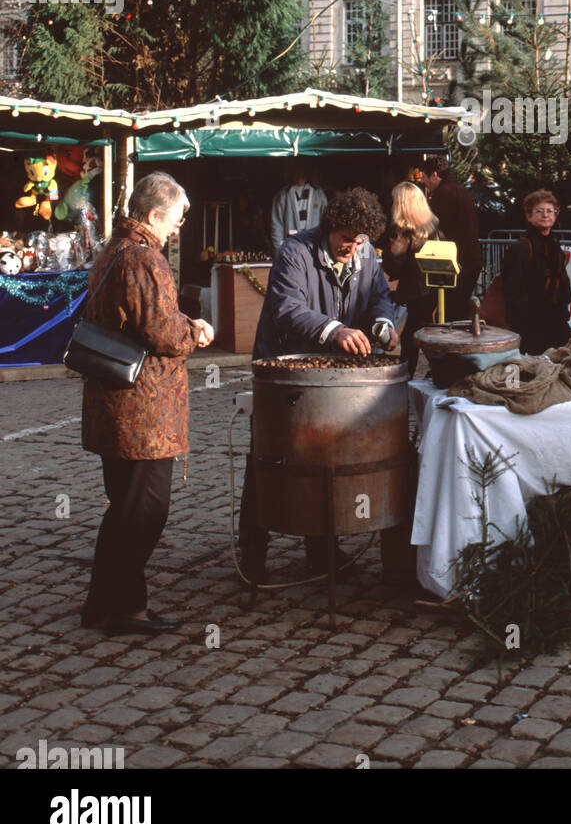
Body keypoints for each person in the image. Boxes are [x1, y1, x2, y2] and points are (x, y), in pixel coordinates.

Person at [80, 173, 214, 635]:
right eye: (177, 218)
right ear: (154, 216)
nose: (179, 226)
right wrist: (193, 331)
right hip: (141, 414)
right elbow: (161, 332)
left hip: (119, 407)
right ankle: (124, 609)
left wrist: (179, 320)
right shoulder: (143, 258)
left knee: (125, 508)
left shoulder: (115, 249)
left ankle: (107, 604)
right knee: (144, 511)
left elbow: (139, 317)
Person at [243, 188, 399, 578]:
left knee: (327, 458)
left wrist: (383, 322)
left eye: (361, 240)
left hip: (332, 373)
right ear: (330, 228)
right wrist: (334, 330)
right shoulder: (294, 252)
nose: (353, 246)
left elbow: (379, 294)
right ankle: (252, 555)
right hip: (285, 370)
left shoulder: (364, 253)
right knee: (268, 457)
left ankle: (324, 552)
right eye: (347, 237)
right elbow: (287, 308)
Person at [502, 189, 571, 356]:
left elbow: (562, 284)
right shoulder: (521, 248)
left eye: (550, 211)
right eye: (539, 211)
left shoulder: (555, 246)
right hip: (530, 324)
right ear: (529, 216)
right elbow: (512, 290)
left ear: (555, 215)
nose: (545, 215)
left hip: (555, 321)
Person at [382, 180, 440, 374]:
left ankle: (405, 379)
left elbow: (394, 268)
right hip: (431, 289)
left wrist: (388, 253)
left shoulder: (400, 231)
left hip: (411, 292)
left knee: (409, 341)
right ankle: (439, 374)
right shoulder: (432, 229)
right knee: (427, 336)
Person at [423, 155, 481, 321]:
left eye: (425, 177)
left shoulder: (443, 194)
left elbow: (437, 228)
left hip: (458, 260)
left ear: (434, 175)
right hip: (471, 258)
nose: (424, 183)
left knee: (450, 312)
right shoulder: (460, 189)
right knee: (457, 308)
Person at [269, 163, 327, 251]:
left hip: (314, 245)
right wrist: (279, 248)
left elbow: (325, 221)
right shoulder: (283, 195)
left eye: (302, 172)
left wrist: (323, 246)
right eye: (297, 172)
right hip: (290, 247)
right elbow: (277, 224)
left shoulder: (318, 193)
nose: (299, 175)